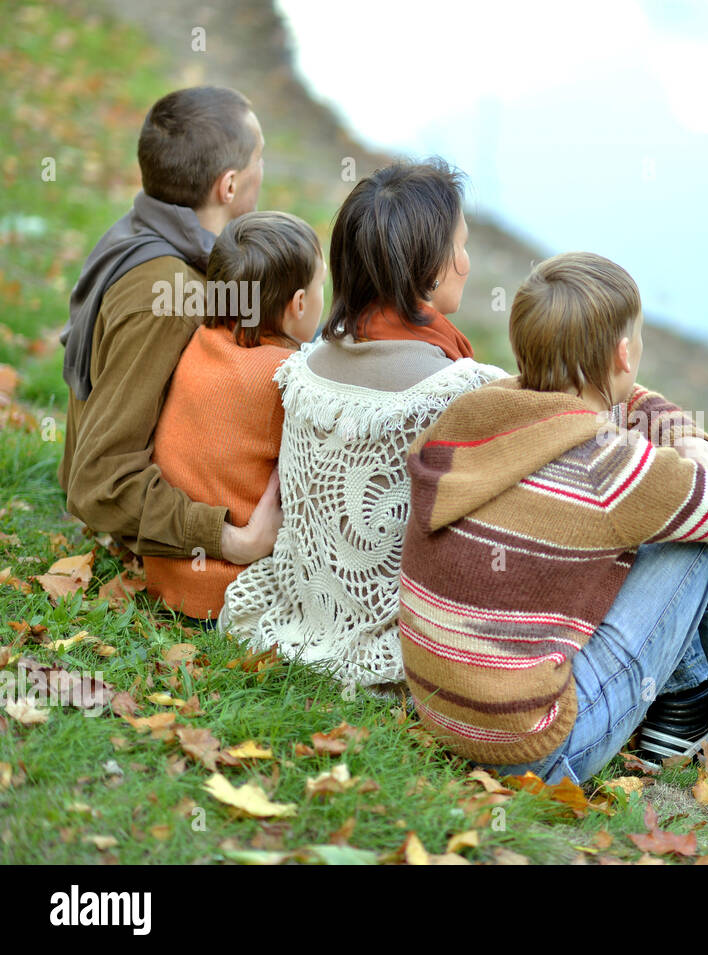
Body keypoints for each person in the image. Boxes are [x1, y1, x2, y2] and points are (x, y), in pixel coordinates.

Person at [399, 252, 708, 794]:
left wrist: (686, 441)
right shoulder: (609, 467)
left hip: (447, 714)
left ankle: (679, 719)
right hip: (538, 750)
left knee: (676, 518)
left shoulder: (476, 412)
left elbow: (625, 401)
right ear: (623, 352)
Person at [220, 159, 508, 691]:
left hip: (297, 625)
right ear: (430, 268)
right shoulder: (464, 390)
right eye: (460, 246)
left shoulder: (302, 372)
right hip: (402, 655)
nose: (467, 262)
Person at [58, 86, 282, 568]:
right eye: (259, 157)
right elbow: (98, 480)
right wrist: (232, 540)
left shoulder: (143, 228)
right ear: (228, 186)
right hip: (158, 562)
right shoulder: (168, 298)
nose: (264, 170)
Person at [143, 211, 324, 622]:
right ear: (298, 305)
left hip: (165, 571)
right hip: (227, 589)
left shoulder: (200, 341)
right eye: (320, 286)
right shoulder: (285, 376)